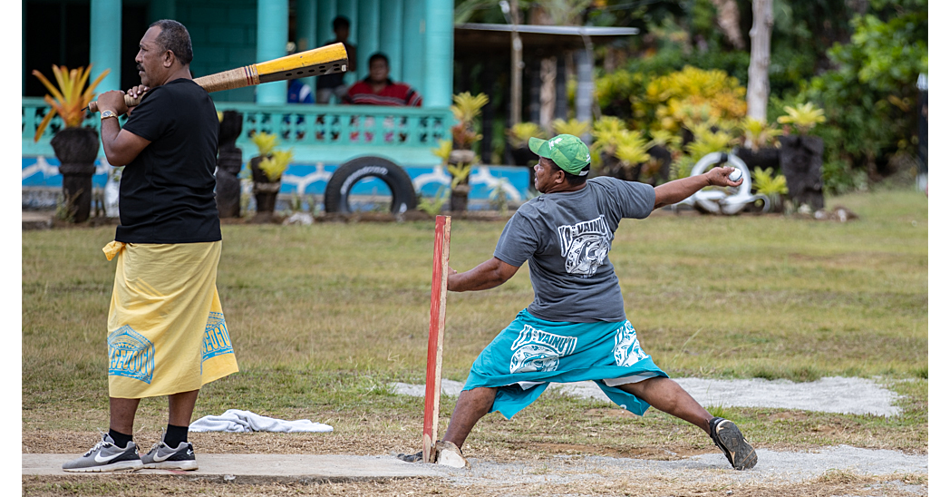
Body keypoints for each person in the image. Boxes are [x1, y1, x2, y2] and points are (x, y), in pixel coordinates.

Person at [406, 134, 757, 471]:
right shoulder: (606, 191)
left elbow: (499, 272)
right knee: (645, 380)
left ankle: (449, 449)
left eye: (541, 165)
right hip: (607, 324)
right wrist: (706, 178)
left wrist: (451, 282)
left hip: (551, 327)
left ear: (559, 176)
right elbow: (659, 196)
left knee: (488, 372)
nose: (535, 169)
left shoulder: (534, 214)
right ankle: (714, 424)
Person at [62, 19, 238, 473]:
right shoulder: (197, 100)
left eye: (144, 50)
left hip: (159, 240)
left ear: (168, 57)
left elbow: (117, 152)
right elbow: (158, 140)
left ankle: (119, 442)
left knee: (131, 331)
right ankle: (176, 443)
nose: (137, 58)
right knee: (189, 335)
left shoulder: (166, 100)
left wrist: (108, 110)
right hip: (199, 237)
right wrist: (139, 105)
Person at [343, 52, 422, 107]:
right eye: (374, 67)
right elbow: (345, 109)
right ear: (369, 69)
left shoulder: (402, 90)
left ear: (388, 70)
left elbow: (417, 101)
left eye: (381, 67)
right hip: (361, 127)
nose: (377, 70)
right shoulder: (357, 89)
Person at [315, 16, 357, 104]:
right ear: (335, 31)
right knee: (321, 106)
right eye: (341, 30)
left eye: (346, 30)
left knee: (350, 101)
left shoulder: (350, 48)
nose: (344, 33)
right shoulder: (328, 46)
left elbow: (353, 68)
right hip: (324, 81)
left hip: (338, 82)